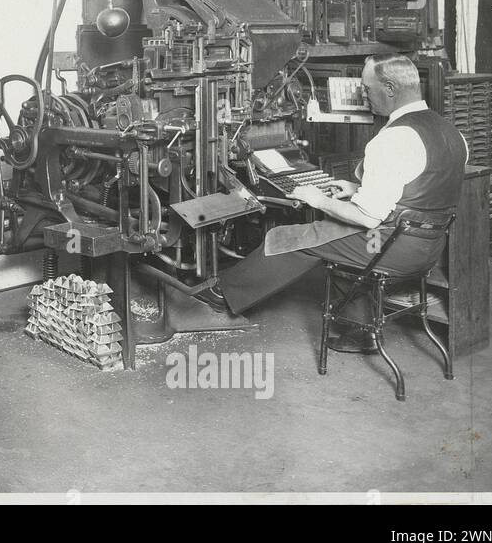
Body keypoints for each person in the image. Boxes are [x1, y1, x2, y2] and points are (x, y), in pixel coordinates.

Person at [200, 54, 468, 342]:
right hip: (429, 247)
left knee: (292, 237)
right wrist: (354, 189)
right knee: (333, 228)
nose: (364, 96)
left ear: (390, 89)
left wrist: (318, 199)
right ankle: (356, 332)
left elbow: (369, 217)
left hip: (390, 246)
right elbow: (419, 191)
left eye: (367, 88)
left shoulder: (393, 138)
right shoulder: (450, 132)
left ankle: (220, 295)